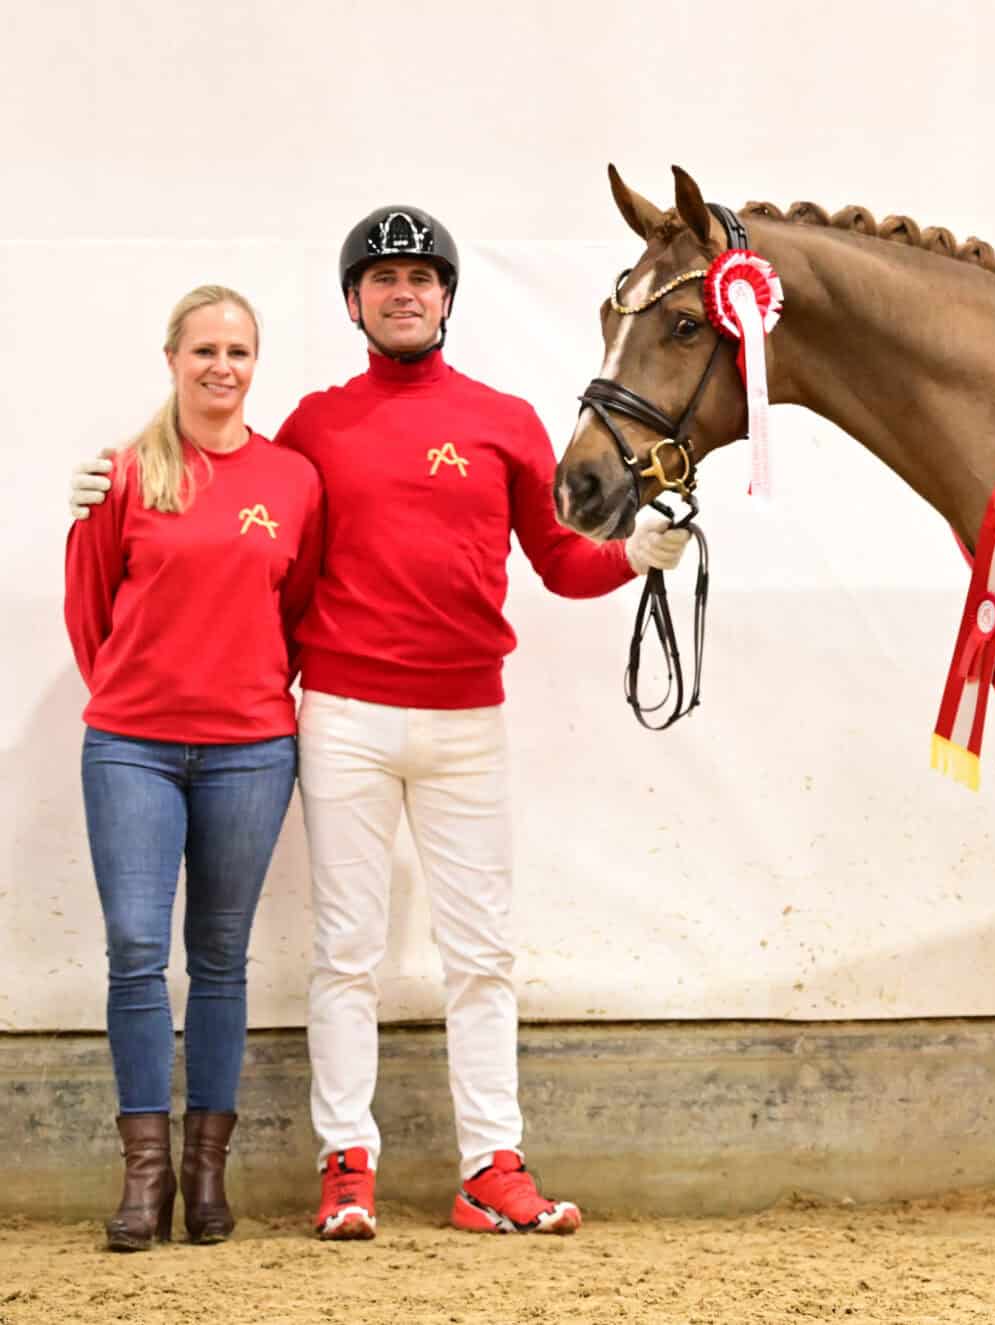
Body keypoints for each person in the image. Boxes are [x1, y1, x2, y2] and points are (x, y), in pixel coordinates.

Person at [71, 207, 692, 1240]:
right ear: (355, 301)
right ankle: (345, 1162)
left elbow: (556, 556)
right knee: (345, 952)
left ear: (447, 297)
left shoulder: (503, 419)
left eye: (423, 277)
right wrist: (108, 480)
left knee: (484, 952)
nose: (405, 292)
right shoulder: (313, 426)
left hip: (468, 722)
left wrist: (631, 556)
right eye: (383, 278)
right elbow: (237, 507)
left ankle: (491, 1163)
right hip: (345, 718)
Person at [65, 285, 323, 1250]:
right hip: (130, 746)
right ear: (172, 358)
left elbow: (297, 610)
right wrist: (147, 695)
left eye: (240, 351)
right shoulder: (125, 474)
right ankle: (144, 1177)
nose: (223, 366)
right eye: (206, 348)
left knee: (220, 959)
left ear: (257, 366)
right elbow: (89, 611)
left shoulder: (293, 480)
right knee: (136, 949)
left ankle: (206, 1171)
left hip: (251, 751)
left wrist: (236, 695)